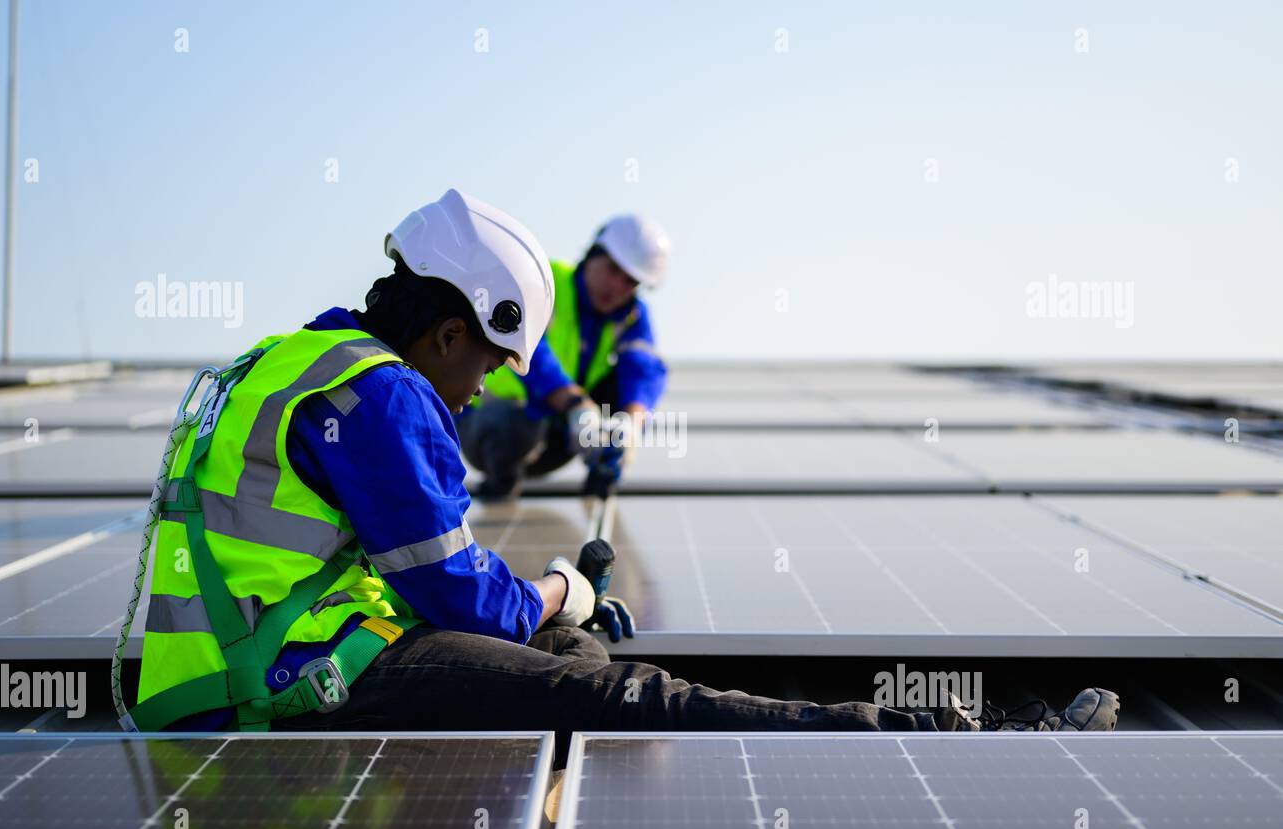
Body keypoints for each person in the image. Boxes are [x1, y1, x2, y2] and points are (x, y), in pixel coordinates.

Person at [127, 187, 1120, 740]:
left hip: (235, 665)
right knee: (617, 692)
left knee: (569, 657)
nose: (480, 389)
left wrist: (560, 608)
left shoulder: (288, 358)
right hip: (273, 684)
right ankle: (961, 738)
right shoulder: (381, 393)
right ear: (442, 331)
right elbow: (455, 598)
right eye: (488, 361)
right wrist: (559, 585)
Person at [456, 214, 671, 500]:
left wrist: (631, 424)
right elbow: (531, 349)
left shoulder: (632, 316)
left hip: (561, 434)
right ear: (594, 254)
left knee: (626, 394)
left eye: (630, 281)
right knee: (511, 425)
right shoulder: (546, 283)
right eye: (613, 269)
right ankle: (501, 485)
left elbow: (644, 369)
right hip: (494, 427)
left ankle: (604, 469)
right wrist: (576, 404)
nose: (617, 286)